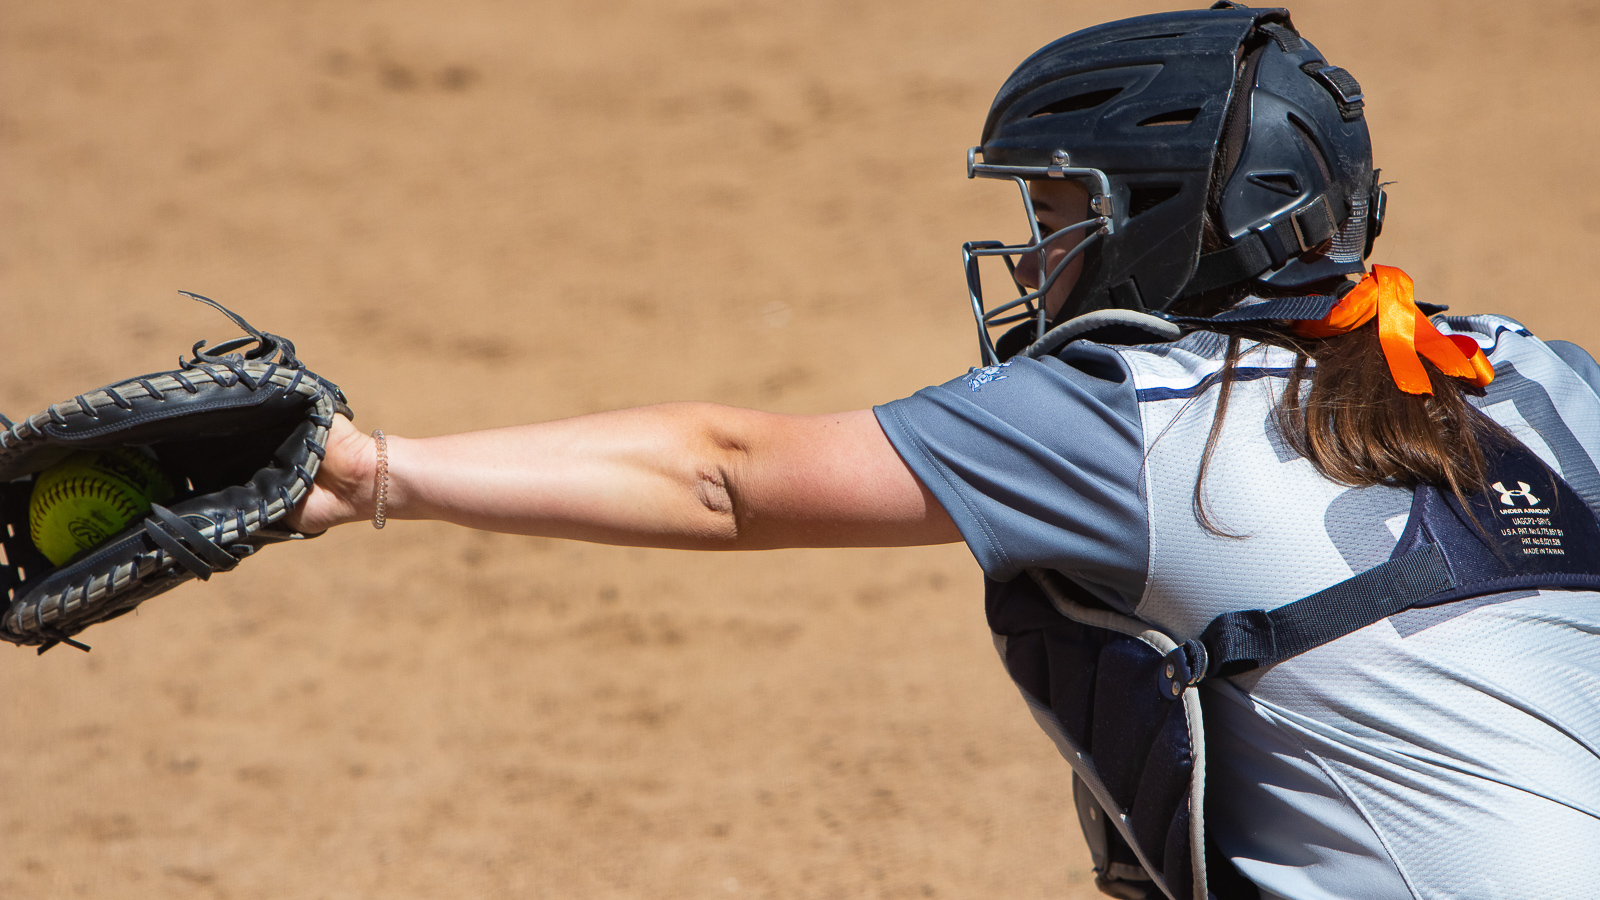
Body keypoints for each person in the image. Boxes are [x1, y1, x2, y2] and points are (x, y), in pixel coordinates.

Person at [290, 4, 1600, 898]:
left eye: (1058, 210)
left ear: (1166, 221)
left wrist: (382, 472)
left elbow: (721, 475)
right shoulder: (1534, 371)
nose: (1036, 258)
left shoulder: (1135, 413)